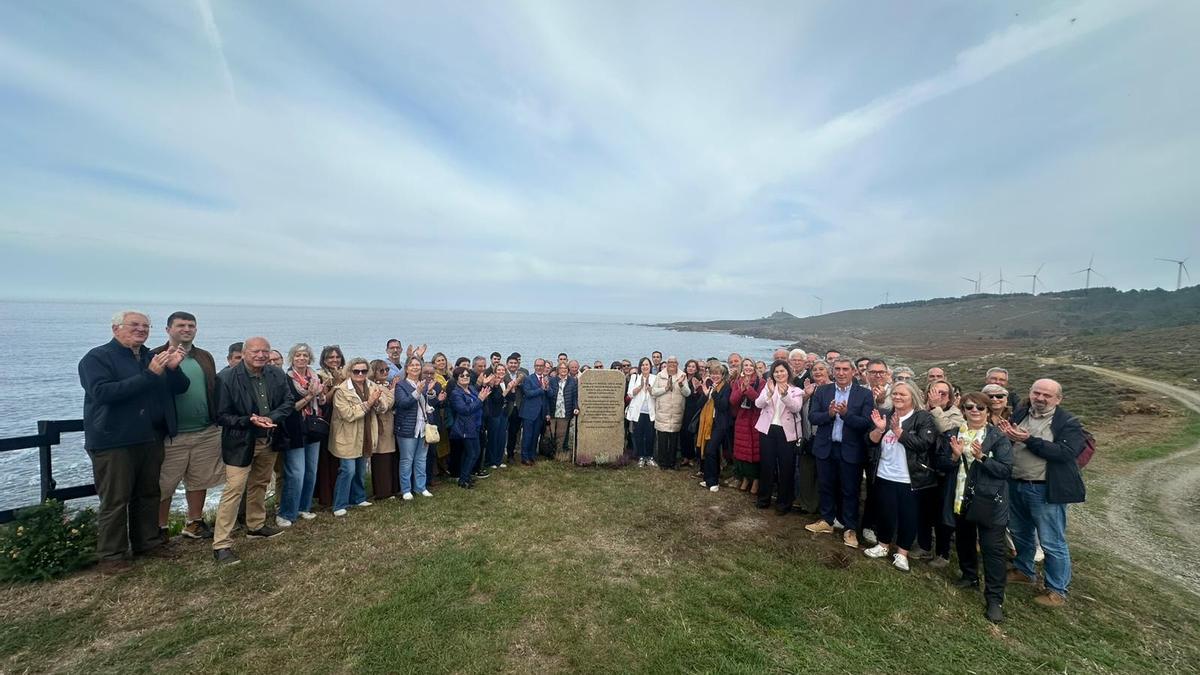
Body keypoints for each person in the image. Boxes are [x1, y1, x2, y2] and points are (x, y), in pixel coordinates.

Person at [79, 310, 188, 571]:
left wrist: (172, 370)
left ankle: (147, 543)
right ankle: (112, 555)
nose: (141, 329)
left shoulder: (152, 356)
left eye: (145, 326)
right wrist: (149, 375)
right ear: (116, 328)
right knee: (116, 499)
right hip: (114, 440)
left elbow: (180, 388)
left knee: (149, 493)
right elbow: (102, 393)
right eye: (134, 325)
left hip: (150, 437)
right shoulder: (97, 358)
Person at [998, 379, 1086, 607]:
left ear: (1058, 399)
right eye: (1037, 393)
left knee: (1051, 540)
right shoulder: (1021, 413)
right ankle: (1024, 570)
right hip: (1016, 482)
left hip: (1044, 488)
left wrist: (1029, 440)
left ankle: (1057, 590)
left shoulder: (1068, 423)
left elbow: (1066, 453)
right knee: (1020, 531)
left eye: (1047, 395)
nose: (1040, 398)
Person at [212, 337, 293, 565]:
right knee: (234, 490)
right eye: (255, 351)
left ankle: (255, 526)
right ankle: (221, 544)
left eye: (265, 351)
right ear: (245, 353)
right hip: (241, 441)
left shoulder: (276, 374)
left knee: (259, 483)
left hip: (269, 439)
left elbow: (287, 402)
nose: (261, 355)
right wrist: (250, 420)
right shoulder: (227, 377)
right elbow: (221, 415)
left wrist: (270, 418)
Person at [937, 392, 1013, 624]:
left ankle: (994, 599)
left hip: (989, 501)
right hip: (961, 498)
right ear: (963, 410)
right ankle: (969, 576)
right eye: (969, 407)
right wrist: (954, 456)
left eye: (980, 408)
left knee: (992, 550)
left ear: (988, 412)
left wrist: (983, 458)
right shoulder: (953, 434)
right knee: (964, 541)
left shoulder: (997, 437)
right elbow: (941, 464)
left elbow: (1006, 470)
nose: (975, 411)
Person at [150, 311, 222, 540]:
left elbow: (213, 388)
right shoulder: (154, 356)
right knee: (165, 483)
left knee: (200, 479)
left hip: (205, 430)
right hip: (172, 434)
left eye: (191, 325)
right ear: (168, 329)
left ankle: (194, 522)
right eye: (181, 325)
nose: (187, 329)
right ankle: (160, 528)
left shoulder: (204, 357)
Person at [861, 381, 938, 572]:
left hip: (909, 477)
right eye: (894, 394)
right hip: (884, 474)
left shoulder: (923, 418)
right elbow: (870, 443)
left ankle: (902, 554)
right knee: (885, 512)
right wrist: (879, 429)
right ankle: (883, 545)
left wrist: (898, 432)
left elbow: (923, 444)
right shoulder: (885, 414)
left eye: (902, 394)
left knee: (908, 516)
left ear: (913, 396)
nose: (897, 397)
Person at [806, 358, 875, 548]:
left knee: (850, 490)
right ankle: (827, 520)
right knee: (826, 486)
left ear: (853, 371)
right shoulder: (823, 391)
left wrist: (846, 415)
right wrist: (828, 414)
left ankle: (850, 528)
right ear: (833, 371)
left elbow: (865, 424)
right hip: (826, 448)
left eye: (845, 369)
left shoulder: (865, 394)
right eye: (837, 369)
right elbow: (812, 417)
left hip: (850, 450)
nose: (841, 373)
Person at [329, 358, 386, 516]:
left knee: (361, 468)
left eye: (363, 371)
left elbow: (382, 407)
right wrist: (369, 403)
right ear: (349, 372)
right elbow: (347, 414)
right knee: (348, 470)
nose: (360, 374)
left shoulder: (372, 385)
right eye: (356, 371)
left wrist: (377, 403)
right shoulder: (341, 390)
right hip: (347, 435)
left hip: (366, 432)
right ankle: (339, 504)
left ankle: (359, 497)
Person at [277, 343, 324, 526]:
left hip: (313, 428)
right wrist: (310, 396)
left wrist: (320, 395)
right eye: (298, 355)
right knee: (296, 472)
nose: (301, 358)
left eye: (305, 355)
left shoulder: (315, 376)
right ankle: (286, 513)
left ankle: (304, 507)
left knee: (311, 471)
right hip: (294, 429)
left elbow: (321, 402)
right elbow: (291, 408)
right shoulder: (287, 379)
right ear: (292, 358)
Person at [917, 379, 962, 566]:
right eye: (934, 392)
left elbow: (949, 431)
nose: (938, 397)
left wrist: (936, 409)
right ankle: (924, 546)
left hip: (945, 470)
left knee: (943, 512)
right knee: (924, 510)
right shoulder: (921, 412)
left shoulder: (956, 413)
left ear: (950, 397)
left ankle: (943, 553)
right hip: (925, 467)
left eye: (943, 393)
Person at [754, 360, 805, 514]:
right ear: (772, 374)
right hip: (767, 430)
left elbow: (796, 407)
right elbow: (758, 404)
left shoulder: (796, 390)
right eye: (776, 372)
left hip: (786, 433)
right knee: (766, 466)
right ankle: (764, 499)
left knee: (786, 468)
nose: (779, 374)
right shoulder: (768, 387)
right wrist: (769, 394)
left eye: (782, 371)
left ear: (788, 373)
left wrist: (784, 395)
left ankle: (784, 504)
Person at [394, 356, 435, 500]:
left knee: (421, 459)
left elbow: (424, 405)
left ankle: (420, 487)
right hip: (407, 427)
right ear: (406, 368)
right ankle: (406, 489)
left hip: (423, 426)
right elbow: (403, 404)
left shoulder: (423, 384)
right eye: (412, 365)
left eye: (418, 365)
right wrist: (417, 392)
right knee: (407, 459)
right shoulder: (401, 385)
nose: (415, 367)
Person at [313, 345, 345, 507]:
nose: (334, 360)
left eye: (337, 357)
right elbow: (324, 401)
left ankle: (344, 492)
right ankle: (327, 496)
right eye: (330, 357)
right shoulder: (320, 375)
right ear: (324, 360)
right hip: (328, 418)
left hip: (345, 419)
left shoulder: (346, 372)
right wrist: (337, 384)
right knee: (327, 458)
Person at [449, 366, 489, 488]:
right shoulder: (456, 393)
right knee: (472, 453)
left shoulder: (471, 388)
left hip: (475, 425)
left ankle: (465, 477)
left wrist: (481, 396)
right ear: (456, 379)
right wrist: (480, 400)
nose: (465, 377)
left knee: (472, 453)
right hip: (465, 427)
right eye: (462, 376)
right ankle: (463, 480)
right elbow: (464, 410)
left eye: (467, 375)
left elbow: (479, 400)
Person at [729, 359, 764, 492]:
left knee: (755, 451)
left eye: (751, 365)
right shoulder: (738, 381)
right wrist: (741, 390)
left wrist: (748, 389)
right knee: (741, 450)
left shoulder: (761, 382)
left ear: (755, 367)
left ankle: (756, 480)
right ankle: (745, 478)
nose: (748, 367)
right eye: (745, 365)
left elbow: (760, 401)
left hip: (755, 419)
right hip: (742, 419)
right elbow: (732, 400)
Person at [650, 356, 690, 470]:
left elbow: (687, 393)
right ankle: (662, 462)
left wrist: (682, 385)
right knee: (662, 438)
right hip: (663, 411)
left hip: (676, 412)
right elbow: (653, 392)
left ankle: (671, 462)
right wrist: (665, 389)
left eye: (674, 362)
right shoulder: (660, 376)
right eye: (670, 362)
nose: (672, 364)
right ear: (666, 364)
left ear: (678, 364)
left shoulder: (682, 376)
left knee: (673, 440)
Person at [368, 359, 399, 499]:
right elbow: (384, 406)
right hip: (381, 426)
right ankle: (383, 492)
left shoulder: (385, 385)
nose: (385, 372)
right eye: (382, 370)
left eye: (387, 369)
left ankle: (391, 489)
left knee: (389, 458)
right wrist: (393, 391)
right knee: (382, 459)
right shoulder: (373, 387)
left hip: (389, 425)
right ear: (374, 372)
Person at [698, 364, 731, 492]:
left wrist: (715, 392)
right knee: (711, 451)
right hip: (708, 423)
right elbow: (699, 404)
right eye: (713, 373)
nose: (715, 376)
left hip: (720, 425)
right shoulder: (710, 387)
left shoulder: (726, 387)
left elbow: (723, 406)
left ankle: (713, 482)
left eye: (718, 374)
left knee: (710, 450)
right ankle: (709, 478)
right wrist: (706, 394)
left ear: (722, 375)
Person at [626, 357, 657, 467]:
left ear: (650, 366)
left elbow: (656, 394)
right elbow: (630, 394)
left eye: (647, 365)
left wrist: (649, 388)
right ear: (640, 367)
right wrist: (641, 386)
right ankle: (641, 456)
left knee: (650, 435)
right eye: (643, 365)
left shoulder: (655, 378)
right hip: (638, 412)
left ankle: (649, 457)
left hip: (650, 412)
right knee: (638, 435)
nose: (645, 367)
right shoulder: (635, 377)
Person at [518, 358, 550, 465]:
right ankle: (524, 457)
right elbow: (528, 393)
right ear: (534, 366)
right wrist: (541, 389)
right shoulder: (529, 379)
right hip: (529, 412)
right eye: (537, 365)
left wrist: (547, 388)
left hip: (540, 413)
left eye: (541, 365)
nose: (539, 367)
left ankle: (532, 455)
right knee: (527, 436)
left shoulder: (546, 379)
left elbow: (549, 395)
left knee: (535, 436)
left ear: (544, 367)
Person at [482, 366, 513, 469]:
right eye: (499, 370)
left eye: (503, 370)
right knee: (493, 437)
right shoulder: (492, 384)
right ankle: (490, 461)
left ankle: (499, 460)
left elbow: (510, 398)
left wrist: (511, 390)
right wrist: (507, 389)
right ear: (495, 372)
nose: (501, 372)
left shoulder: (505, 382)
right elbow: (496, 399)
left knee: (502, 437)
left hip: (504, 412)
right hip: (494, 413)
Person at [546, 362, 579, 461]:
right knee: (550, 433)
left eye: (565, 368)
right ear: (558, 370)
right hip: (553, 411)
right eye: (561, 368)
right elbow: (547, 398)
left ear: (568, 370)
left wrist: (576, 407)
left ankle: (558, 454)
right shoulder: (552, 381)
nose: (563, 370)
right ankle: (549, 453)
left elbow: (575, 397)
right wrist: (547, 412)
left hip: (565, 411)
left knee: (561, 435)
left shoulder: (573, 381)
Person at [680, 359, 704, 468]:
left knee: (690, 433)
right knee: (683, 432)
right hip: (682, 407)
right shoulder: (683, 377)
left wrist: (696, 389)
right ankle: (685, 456)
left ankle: (691, 457)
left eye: (693, 366)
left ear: (696, 369)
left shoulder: (698, 379)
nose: (691, 368)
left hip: (693, 408)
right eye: (689, 366)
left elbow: (701, 396)